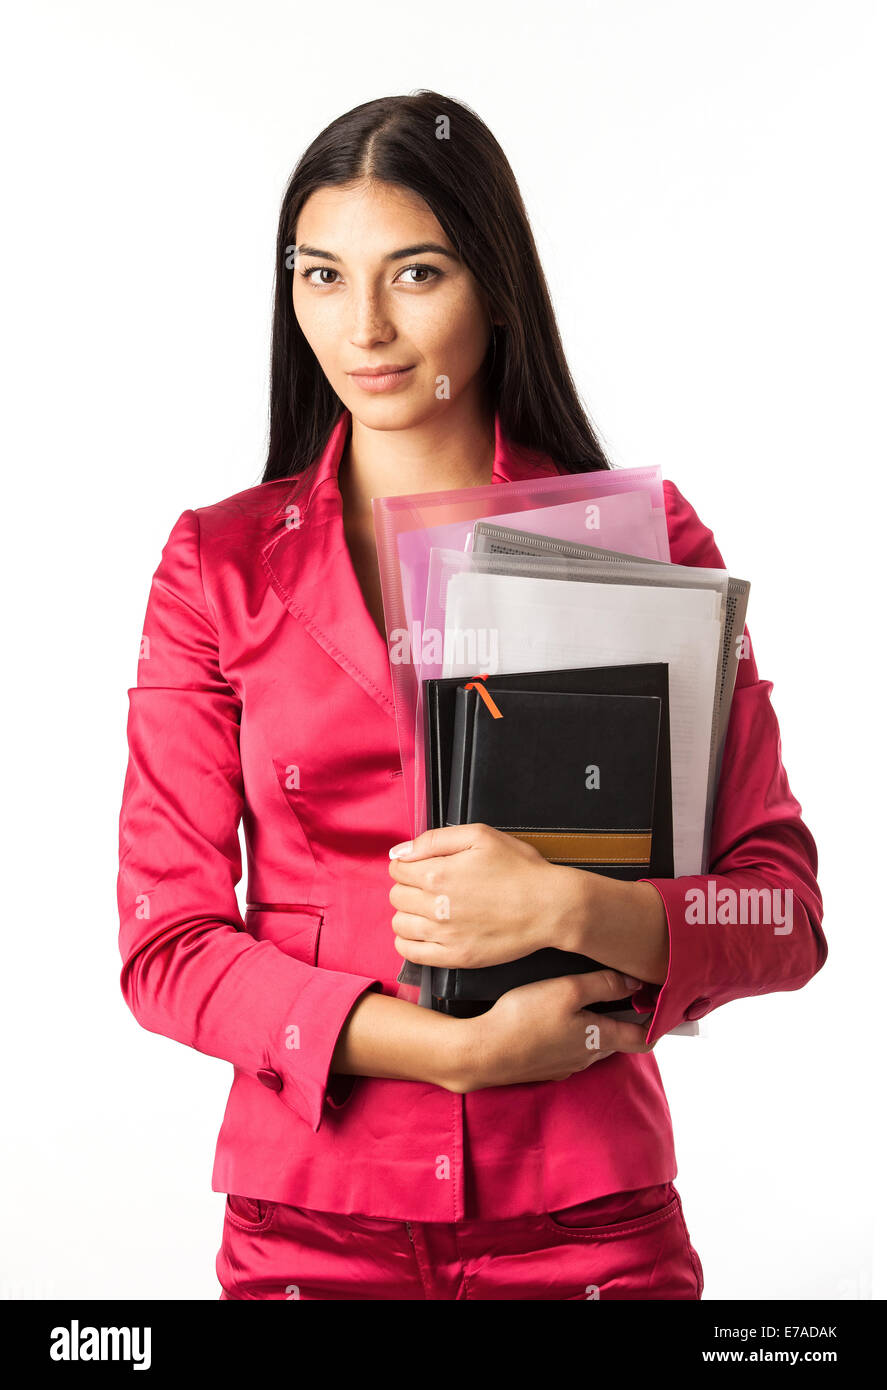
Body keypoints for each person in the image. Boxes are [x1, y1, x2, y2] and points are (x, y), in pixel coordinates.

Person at [116, 90, 826, 1301]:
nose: (365, 328)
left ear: (495, 287)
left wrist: (570, 907)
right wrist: (449, 1053)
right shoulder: (214, 566)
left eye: (416, 273)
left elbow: (780, 916)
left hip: (591, 1227)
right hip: (306, 1226)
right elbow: (166, 945)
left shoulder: (640, 544)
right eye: (322, 276)